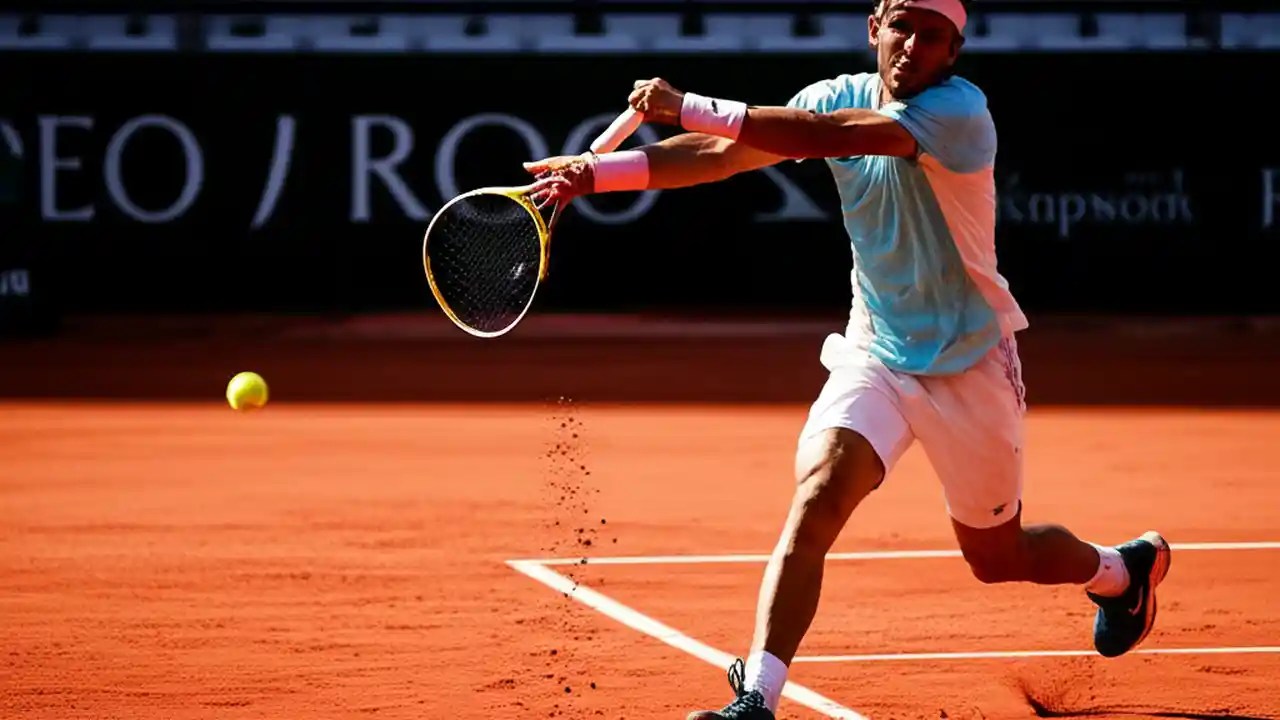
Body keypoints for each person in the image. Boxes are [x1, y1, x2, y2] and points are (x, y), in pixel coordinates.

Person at [523, 1, 1171, 718]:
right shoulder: (833, 93)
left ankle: (1120, 571)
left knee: (997, 558)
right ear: (874, 29)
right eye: (902, 27)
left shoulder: (960, 114)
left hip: (969, 365)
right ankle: (757, 701)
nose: (913, 46)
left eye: (934, 37)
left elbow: (828, 137)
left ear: (953, 52)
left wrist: (689, 105)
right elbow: (721, 156)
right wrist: (596, 175)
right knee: (817, 496)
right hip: (876, 350)